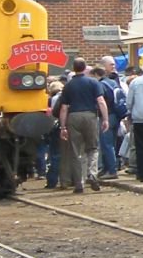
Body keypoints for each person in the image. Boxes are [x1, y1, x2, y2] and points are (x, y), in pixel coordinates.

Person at [57, 57, 108, 193]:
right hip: (90, 115)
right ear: (85, 67)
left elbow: (64, 108)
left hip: (73, 117)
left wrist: (62, 127)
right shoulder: (93, 82)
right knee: (93, 148)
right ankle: (92, 173)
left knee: (75, 151)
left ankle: (79, 183)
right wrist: (105, 119)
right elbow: (101, 101)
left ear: (74, 68)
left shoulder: (68, 85)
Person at [96, 56, 126, 179]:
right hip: (117, 115)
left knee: (106, 143)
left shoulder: (101, 84)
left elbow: (101, 101)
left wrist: (104, 118)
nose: (113, 67)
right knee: (111, 143)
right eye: (111, 65)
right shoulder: (114, 82)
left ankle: (111, 170)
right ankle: (107, 168)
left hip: (107, 116)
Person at [40, 78, 65, 189]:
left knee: (55, 155)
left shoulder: (52, 99)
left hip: (57, 127)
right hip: (71, 126)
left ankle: (52, 181)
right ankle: (69, 180)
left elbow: (53, 113)